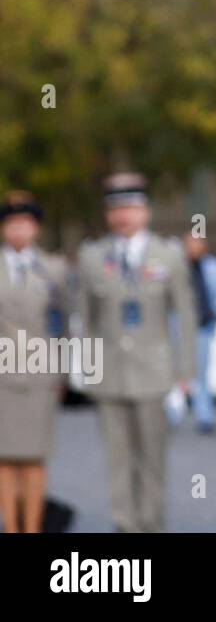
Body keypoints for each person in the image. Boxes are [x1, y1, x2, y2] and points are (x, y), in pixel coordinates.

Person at [76, 172, 195, 532]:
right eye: (117, 208)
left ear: (146, 212)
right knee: (117, 461)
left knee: (152, 461)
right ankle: (125, 526)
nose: (124, 215)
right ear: (108, 214)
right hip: (110, 375)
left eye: (131, 207)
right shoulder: (92, 257)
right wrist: (85, 369)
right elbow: (84, 318)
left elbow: (185, 316)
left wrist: (185, 373)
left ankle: (151, 525)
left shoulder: (168, 255)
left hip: (154, 375)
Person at [0, 191, 68, 533]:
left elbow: (63, 325)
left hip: (39, 371)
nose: (18, 230)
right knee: (4, 458)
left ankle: (33, 528)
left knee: (35, 457)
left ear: (36, 228)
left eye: (25, 223)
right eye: (11, 223)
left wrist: (63, 372)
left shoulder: (53, 269)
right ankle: (10, 527)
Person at [184, 234, 216, 434]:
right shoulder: (177, 267)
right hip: (178, 329)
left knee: (201, 374)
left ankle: (205, 416)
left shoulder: (214, 267)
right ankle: (169, 415)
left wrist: (215, 314)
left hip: (203, 328)